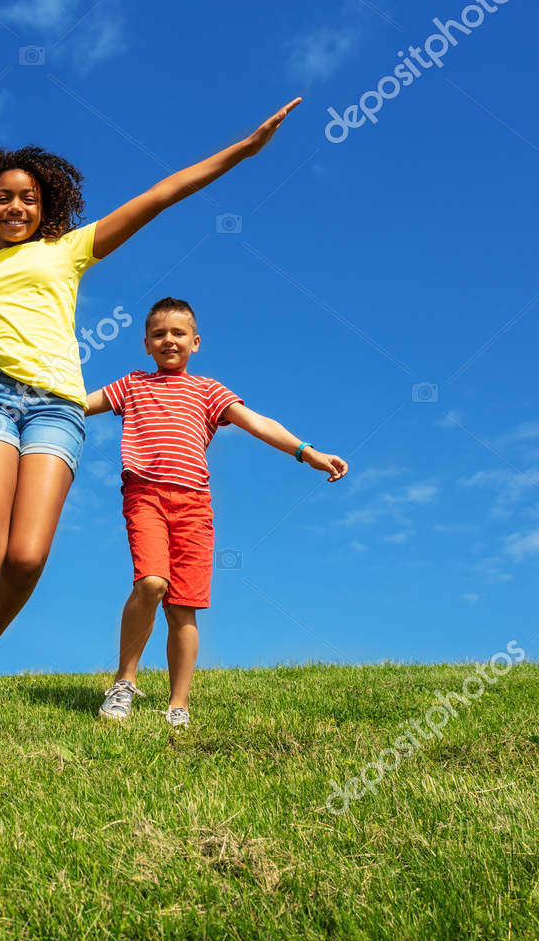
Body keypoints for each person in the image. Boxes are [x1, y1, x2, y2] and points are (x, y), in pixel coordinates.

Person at [0, 98, 304, 753]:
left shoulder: (67, 251)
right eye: (5, 198)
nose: (17, 207)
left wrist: (242, 150)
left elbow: (159, 196)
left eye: (29, 199)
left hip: (58, 409)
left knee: (27, 555)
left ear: (46, 208)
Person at [86, 297, 347, 728]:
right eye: (158, 334)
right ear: (146, 344)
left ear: (196, 341)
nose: (168, 340)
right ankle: (124, 682)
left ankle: (178, 706)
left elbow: (257, 422)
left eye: (178, 333)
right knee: (151, 582)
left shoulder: (208, 390)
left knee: (182, 609)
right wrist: (27, 403)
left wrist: (308, 452)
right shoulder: (132, 384)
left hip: (194, 506)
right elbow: (78, 403)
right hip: (145, 494)